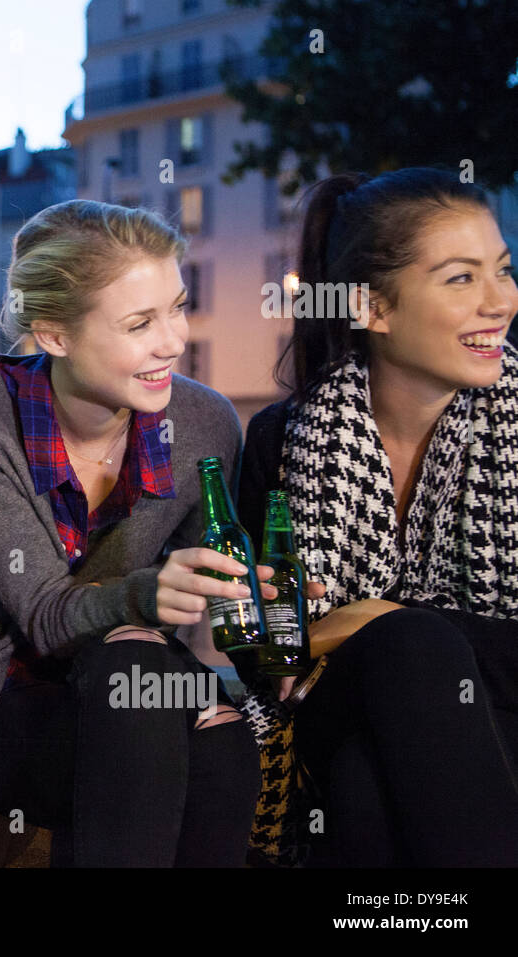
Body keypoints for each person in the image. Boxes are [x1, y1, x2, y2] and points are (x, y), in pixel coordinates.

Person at [0, 199, 278, 867]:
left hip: (132, 676)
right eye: (140, 322)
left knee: (222, 740)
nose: (172, 339)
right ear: (54, 334)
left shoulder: (203, 420)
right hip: (4, 696)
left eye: (177, 305)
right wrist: (145, 599)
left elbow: (216, 592)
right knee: (145, 682)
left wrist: (270, 609)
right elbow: (49, 617)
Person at [237, 167, 518, 866]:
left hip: (494, 719)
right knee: (403, 661)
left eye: (503, 271)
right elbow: (263, 652)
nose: (501, 302)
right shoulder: (283, 437)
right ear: (373, 308)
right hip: (326, 718)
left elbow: (322, 635)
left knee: (364, 785)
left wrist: (377, 616)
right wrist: (397, 630)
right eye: (461, 278)